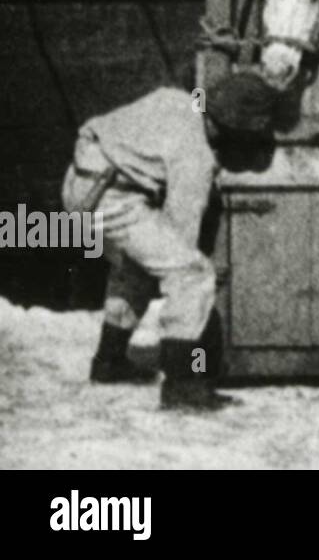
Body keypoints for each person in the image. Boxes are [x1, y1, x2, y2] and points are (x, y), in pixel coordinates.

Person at [60, 72, 279, 410]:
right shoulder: (195, 156)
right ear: (232, 131)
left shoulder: (183, 100)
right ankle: (183, 384)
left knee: (137, 268)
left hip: (84, 182)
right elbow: (183, 244)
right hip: (111, 198)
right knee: (192, 274)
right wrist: (200, 316)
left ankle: (109, 362)